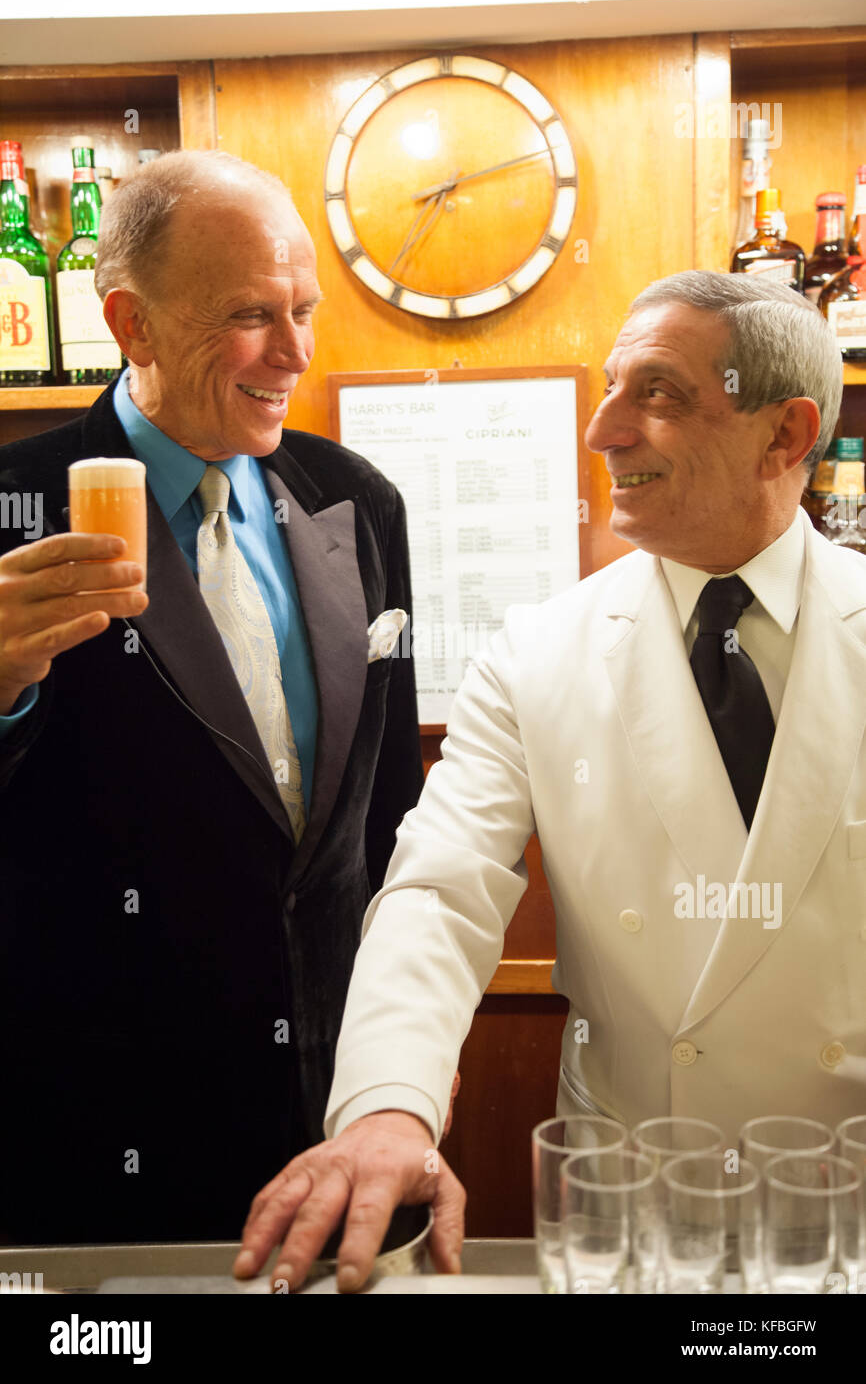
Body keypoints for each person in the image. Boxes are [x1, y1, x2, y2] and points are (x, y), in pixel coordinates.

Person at [233, 269, 866, 1293]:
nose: (602, 430)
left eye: (655, 394)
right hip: (637, 1208)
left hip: (849, 1214)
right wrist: (389, 1105)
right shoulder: (537, 652)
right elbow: (440, 890)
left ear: (785, 435)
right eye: (611, 388)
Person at [0, 150, 426, 1245]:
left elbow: (384, 825)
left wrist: (394, 1075)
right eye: (249, 315)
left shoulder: (356, 501)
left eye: (303, 309)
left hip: (332, 1125)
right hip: (95, 1136)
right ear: (130, 325)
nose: (293, 352)